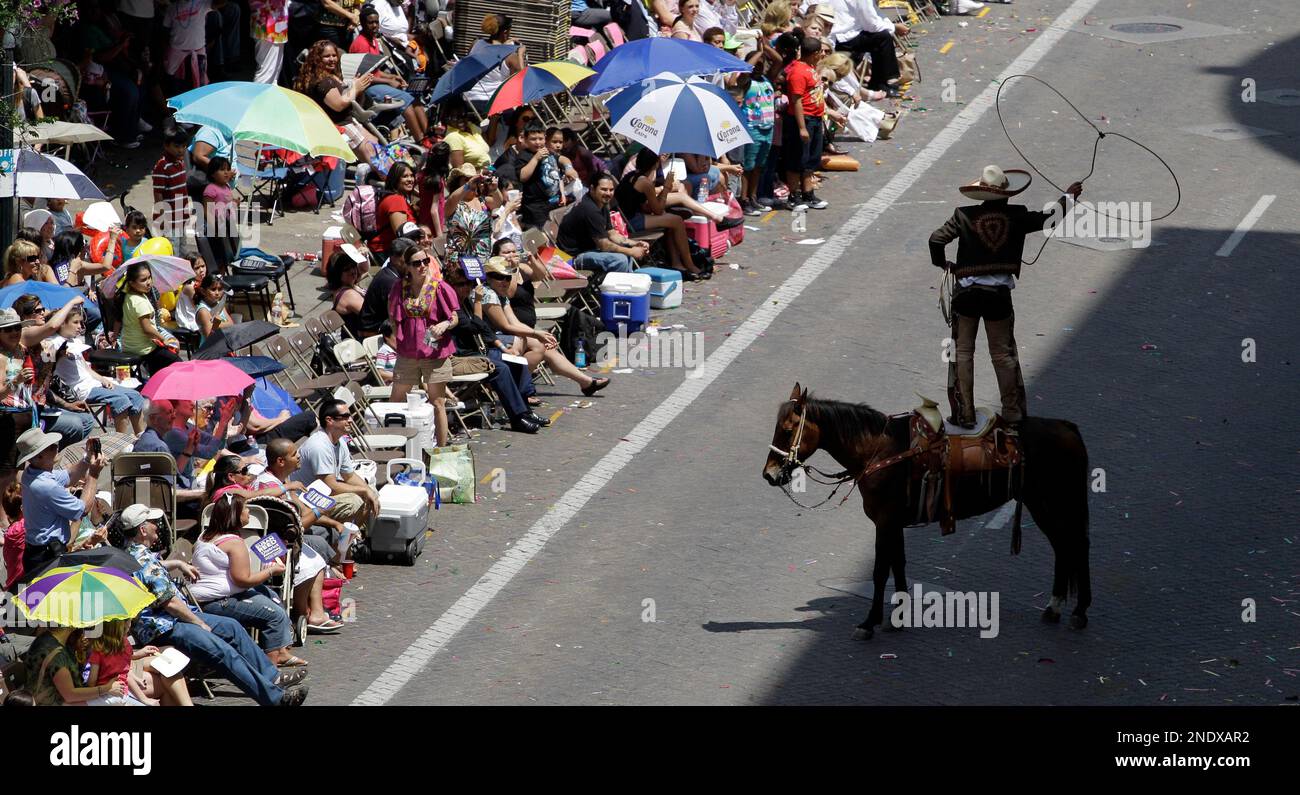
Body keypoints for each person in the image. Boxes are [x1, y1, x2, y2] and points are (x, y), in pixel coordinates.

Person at [929, 166, 1083, 430]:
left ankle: (964, 414)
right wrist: (1068, 197)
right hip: (997, 298)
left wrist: (945, 264)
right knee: (1003, 355)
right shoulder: (1017, 215)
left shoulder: (963, 215)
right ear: (1006, 195)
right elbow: (1049, 219)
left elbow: (935, 240)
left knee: (963, 353)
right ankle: (1013, 414)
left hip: (965, 296)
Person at [114, 503, 309, 706]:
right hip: (164, 626)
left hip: (173, 618)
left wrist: (177, 563)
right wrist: (198, 622)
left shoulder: (131, 553)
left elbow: (152, 567)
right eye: (153, 523)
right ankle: (276, 700)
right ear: (142, 529)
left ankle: (271, 677)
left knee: (232, 627)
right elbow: (170, 602)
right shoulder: (144, 559)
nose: (158, 526)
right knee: (221, 651)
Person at [190, 492, 305, 667]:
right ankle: (269, 669)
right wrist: (271, 571)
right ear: (235, 515)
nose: (249, 513)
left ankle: (281, 651)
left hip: (204, 597)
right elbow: (242, 579)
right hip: (219, 601)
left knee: (271, 595)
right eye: (245, 509)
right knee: (275, 615)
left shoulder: (205, 536)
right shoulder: (234, 542)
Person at [479, 256, 610, 397]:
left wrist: (538, 334)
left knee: (540, 344)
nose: (504, 281)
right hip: (490, 340)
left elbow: (514, 322)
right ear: (488, 277)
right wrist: (535, 334)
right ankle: (514, 390)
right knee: (533, 343)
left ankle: (584, 382)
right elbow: (504, 325)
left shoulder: (500, 294)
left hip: (506, 334)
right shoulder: (488, 294)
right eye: (499, 277)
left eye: (508, 277)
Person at [252, 439, 345, 632]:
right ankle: (303, 614)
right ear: (280, 461)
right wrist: (319, 512)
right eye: (294, 454)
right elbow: (296, 526)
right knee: (314, 560)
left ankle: (314, 612)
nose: (299, 456)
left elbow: (301, 513)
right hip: (273, 545)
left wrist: (328, 517)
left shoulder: (283, 482)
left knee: (318, 545)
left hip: (278, 538)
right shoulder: (271, 487)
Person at [445, 267, 544, 433]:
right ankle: (517, 418)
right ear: (451, 286)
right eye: (461, 284)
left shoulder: (465, 302)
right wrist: (478, 301)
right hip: (461, 356)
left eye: (468, 284)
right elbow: (473, 327)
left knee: (516, 361)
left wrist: (504, 348)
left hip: (478, 351)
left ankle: (526, 411)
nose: (466, 288)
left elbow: (484, 329)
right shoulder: (453, 306)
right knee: (501, 368)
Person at [388, 247, 458, 446]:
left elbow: (454, 317)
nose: (422, 266)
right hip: (408, 353)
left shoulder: (439, 287)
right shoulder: (399, 288)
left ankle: (441, 450)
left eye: (425, 261)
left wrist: (444, 325)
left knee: (438, 403)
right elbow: (392, 316)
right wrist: (400, 339)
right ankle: (396, 445)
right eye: (416, 263)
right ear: (407, 266)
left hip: (435, 353)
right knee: (396, 399)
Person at [17, 426, 106, 582]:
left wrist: (86, 459)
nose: (56, 447)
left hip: (38, 552)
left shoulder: (31, 473)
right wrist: (93, 474)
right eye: (51, 447)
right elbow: (83, 509)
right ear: (38, 457)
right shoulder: (46, 486)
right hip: (47, 556)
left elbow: (68, 476)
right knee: (55, 602)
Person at [49, 305, 146, 434]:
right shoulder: (53, 343)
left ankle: (140, 437)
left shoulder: (75, 341)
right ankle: (122, 443)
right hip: (79, 389)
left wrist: (102, 379)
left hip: (93, 384)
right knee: (120, 399)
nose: (80, 326)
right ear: (62, 324)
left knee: (135, 396)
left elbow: (86, 369)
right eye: (76, 322)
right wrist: (58, 355)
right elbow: (47, 368)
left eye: (81, 322)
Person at [616, 149, 705, 279]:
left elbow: (646, 206)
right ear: (655, 164)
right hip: (631, 221)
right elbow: (657, 209)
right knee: (677, 220)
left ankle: (677, 263)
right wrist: (667, 187)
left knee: (670, 221)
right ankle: (689, 264)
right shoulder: (645, 182)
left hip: (628, 217)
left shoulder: (632, 176)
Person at [292, 399, 380, 526]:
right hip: (307, 500)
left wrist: (368, 490)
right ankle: (340, 539)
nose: (350, 420)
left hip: (323, 493)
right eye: (345, 417)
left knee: (372, 492)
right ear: (329, 420)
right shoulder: (319, 446)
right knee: (354, 501)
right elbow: (330, 487)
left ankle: (352, 536)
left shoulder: (340, 441)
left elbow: (349, 476)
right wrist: (363, 491)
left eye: (349, 416)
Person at [295, 40, 382, 167]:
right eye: (326, 56)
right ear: (317, 58)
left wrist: (356, 88)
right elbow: (339, 105)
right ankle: (390, 180)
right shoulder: (323, 82)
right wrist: (356, 88)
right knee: (373, 153)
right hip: (338, 126)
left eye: (334, 55)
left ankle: (384, 178)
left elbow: (350, 100)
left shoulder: (331, 76)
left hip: (347, 121)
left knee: (375, 143)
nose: (332, 59)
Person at [87, 619, 194, 706]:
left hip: (122, 673)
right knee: (166, 676)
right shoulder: (103, 646)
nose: (132, 622)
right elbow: (122, 670)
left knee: (169, 664)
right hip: (114, 685)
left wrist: (140, 653)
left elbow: (124, 660)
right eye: (129, 620)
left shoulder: (120, 643)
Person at [556, 172, 645, 274]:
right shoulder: (589, 209)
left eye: (611, 190)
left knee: (626, 251)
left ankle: (628, 285)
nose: (608, 193)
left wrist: (635, 244)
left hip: (591, 249)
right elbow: (604, 245)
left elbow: (612, 233)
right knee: (620, 260)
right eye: (603, 189)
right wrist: (631, 251)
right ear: (592, 189)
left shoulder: (602, 203)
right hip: (573, 257)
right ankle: (617, 289)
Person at [782, 36, 830, 212]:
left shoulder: (810, 68)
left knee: (811, 159)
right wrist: (802, 127)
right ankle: (793, 196)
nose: (823, 55)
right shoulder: (798, 72)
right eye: (821, 52)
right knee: (796, 159)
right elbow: (796, 101)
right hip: (804, 121)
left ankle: (808, 194)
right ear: (815, 54)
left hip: (816, 119)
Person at [25, 626, 124, 706]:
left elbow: (73, 675)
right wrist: (107, 688)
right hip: (52, 702)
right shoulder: (55, 653)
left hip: (58, 696)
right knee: (116, 701)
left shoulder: (51, 637)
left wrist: (78, 651)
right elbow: (70, 695)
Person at [0, 309, 36, 525]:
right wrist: (17, 380)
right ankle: (3, 520)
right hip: (7, 417)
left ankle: (16, 514)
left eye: (17, 327)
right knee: (5, 473)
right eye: (8, 329)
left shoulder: (21, 351)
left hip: (25, 413)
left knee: (21, 469)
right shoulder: (1, 357)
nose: (14, 332)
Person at [113, 261, 182, 374]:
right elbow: (147, 329)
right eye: (143, 280)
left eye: (149, 278)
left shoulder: (129, 296)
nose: (148, 282)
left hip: (131, 346)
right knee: (177, 362)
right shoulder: (140, 302)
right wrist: (164, 340)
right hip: (144, 349)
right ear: (132, 283)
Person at [827, 0, 906, 96]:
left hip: (841, 33)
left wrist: (890, 26)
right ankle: (887, 80)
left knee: (879, 37)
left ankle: (878, 81)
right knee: (883, 37)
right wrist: (894, 28)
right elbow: (871, 24)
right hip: (842, 36)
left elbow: (875, 14)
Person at [510, 123, 568, 231]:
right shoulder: (523, 156)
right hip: (536, 207)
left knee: (557, 230)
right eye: (533, 139)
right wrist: (536, 159)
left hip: (554, 202)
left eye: (540, 139)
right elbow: (523, 176)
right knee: (542, 234)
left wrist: (562, 193)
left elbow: (556, 173)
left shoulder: (549, 153)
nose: (537, 142)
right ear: (526, 139)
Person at [463, 13, 525, 116]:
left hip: (469, 99)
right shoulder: (511, 56)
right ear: (505, 32)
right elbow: (522, 80)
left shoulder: (476, 44)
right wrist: (520, 54)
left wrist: (507, 42)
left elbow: (492, 49)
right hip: (491, 105)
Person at [738, 59, 777, 215]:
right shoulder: (746, 81)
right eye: (756, 66)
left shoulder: (766, 80)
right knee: (748, 166)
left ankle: (753, 197)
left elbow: (778, 61)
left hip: (768, 128)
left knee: (759, 166)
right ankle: (744, 199)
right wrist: (756, 56)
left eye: (762, 65)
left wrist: (763, 46)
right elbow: (742, 78)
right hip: (752, 127)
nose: (760, 68)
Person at [443, 164, 501, 264]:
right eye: (466, 179)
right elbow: (452, 199)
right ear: (458, 183)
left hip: (483, 258)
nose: (471, 182)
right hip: (459, 262)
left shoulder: (482, 201)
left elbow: (498, 202)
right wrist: (468, 185)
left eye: (473, 179)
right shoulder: (453, 203)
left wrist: (494, 189)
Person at [358, 237, 415, 336]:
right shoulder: (390, 282)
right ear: (394, 258)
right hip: (375, 334)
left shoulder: (393, 274)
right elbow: (405, 313)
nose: (412, 261)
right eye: (407, 257)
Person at [198, 156, 240, 275]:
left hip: (228, 227)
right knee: (219, 259)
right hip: (216, 229)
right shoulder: (211, 190)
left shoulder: (226, 187)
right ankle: (217, 281)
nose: (226, 172)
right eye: (222, 170)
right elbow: (208, 211)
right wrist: (214, 230)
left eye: (227, 169)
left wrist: (234, 203)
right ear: (212, 174)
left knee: (229, 256)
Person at [152, 126, 192, 251]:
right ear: (166, 146)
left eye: (184, 146)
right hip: (170, 220)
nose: (181, 150)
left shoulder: (180, 163)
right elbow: (158, 194)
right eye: (177, 146)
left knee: (183, 248)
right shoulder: (162, 166)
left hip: (181, 216)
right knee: (173, 251)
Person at [370, 162, 420, 256]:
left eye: (411, 176)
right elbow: (402, 238)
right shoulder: (396, 200)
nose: (410, 179)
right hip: (385, 252)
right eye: (405, 176)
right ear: (395, 179)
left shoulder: (397, 197)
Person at [327, 245, 368, 339]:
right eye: (346, 270)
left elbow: (364, 269)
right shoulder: (349, 295)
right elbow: (371, 315)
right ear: (337, 274)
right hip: (359, 343)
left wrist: (364, 256)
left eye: (353, 266)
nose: (353, 271)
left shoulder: (349, 286)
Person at [442, 97, 492, 171]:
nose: (461, 120)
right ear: (447, 119)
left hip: (489, 170)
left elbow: (489, 143)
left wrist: (493, 169)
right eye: (456, 117)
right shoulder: (453, 137)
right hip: (474, 179)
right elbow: (459, 171)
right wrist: (484, 171)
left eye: (463, 115)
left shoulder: (472, 127)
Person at [249, 0, 290, 84]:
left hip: (277, 26)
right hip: (267, 27)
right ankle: (258, 96)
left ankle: (268, 95)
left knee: (274, 72)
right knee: (267, 73)